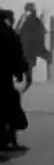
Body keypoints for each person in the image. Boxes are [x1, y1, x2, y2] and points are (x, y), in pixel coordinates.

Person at [0, 10, 29, 150]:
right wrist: (20, 72)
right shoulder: (9, 34)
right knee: (10, 108)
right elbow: (17, 54)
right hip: (4, 79)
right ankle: (10, 140)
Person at [15, 4, 48, 78]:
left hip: (30, 47)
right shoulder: (25, 19)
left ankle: (28, 78)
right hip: (26, 46)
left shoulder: (34, 21)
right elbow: (17, 31)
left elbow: (42, 31)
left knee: (29, 63)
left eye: (29, 10)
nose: (28, 12)